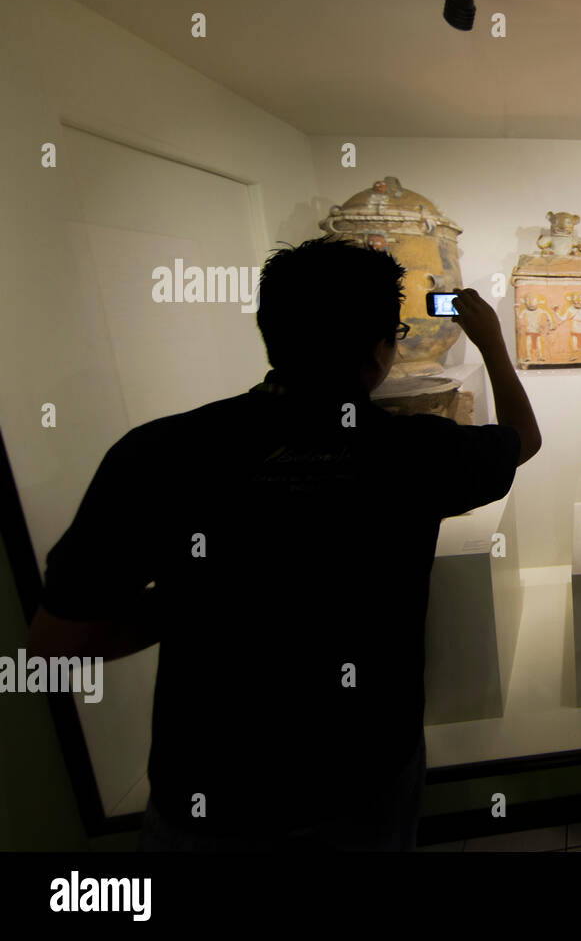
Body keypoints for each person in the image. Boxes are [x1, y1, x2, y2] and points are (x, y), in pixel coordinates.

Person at [27, 237, 540, 850]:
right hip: (364, 774)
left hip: (210, 790)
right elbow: (521, 438)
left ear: (269, 331)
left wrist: (199, 592)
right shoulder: (414, 452)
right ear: (382, 348)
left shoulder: (157, 453)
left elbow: (55, 649)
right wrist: (490, 343)